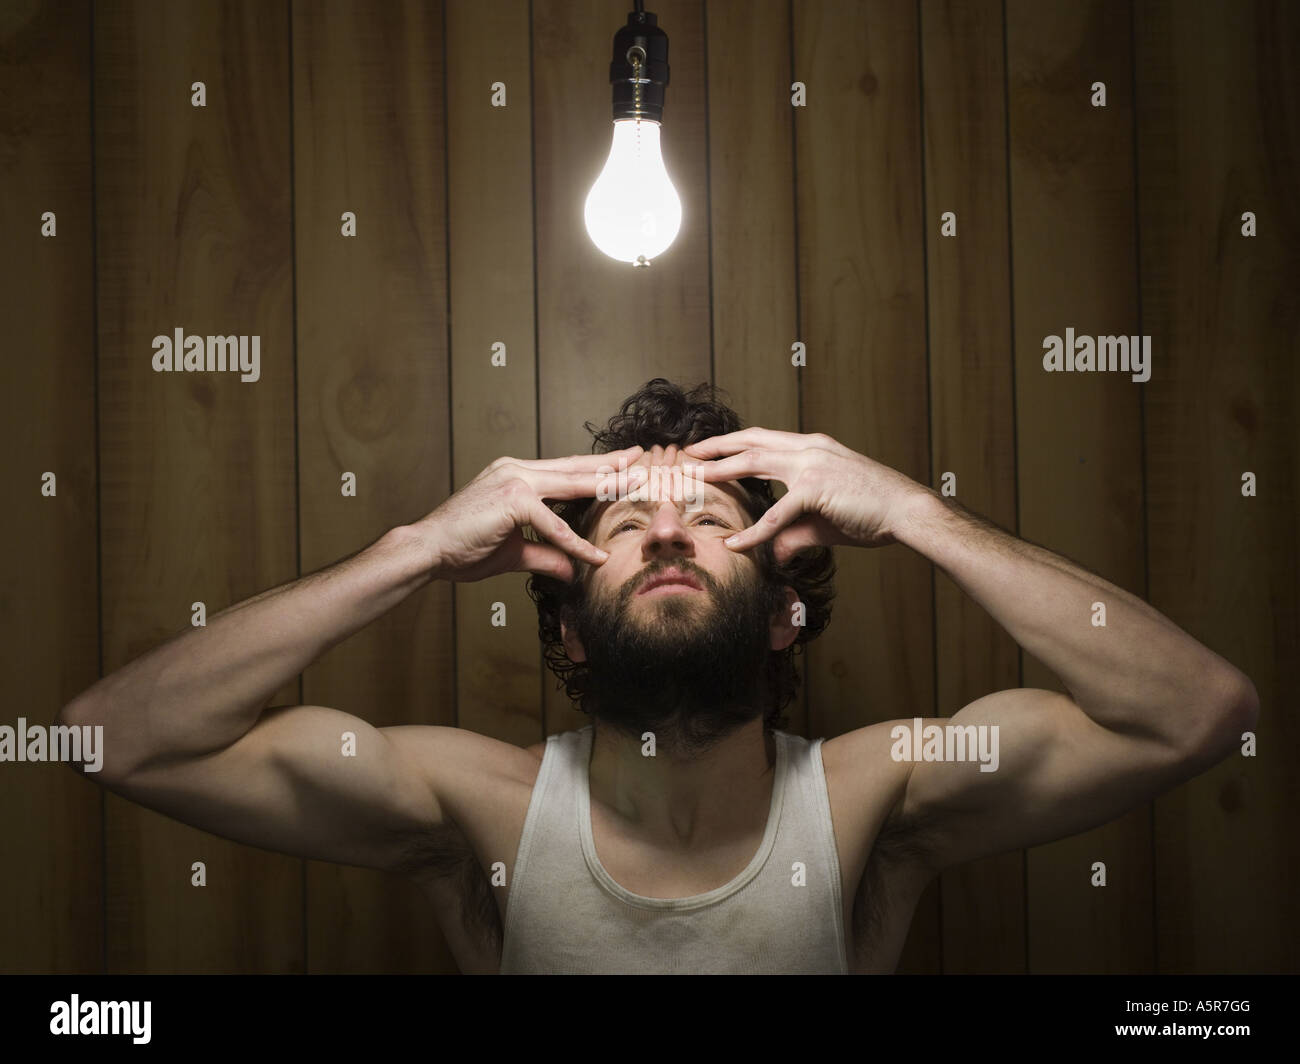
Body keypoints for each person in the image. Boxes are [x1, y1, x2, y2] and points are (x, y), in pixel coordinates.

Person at [57, 378, 1258, 974]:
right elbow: (114, 737)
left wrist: (909, 510)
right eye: (624, 525)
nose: (672, 531)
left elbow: (1196, 711)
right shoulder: (474, 811)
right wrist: (414, 548)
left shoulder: (874, 799)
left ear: (785, 611)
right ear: (571, 635)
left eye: (714, 518)